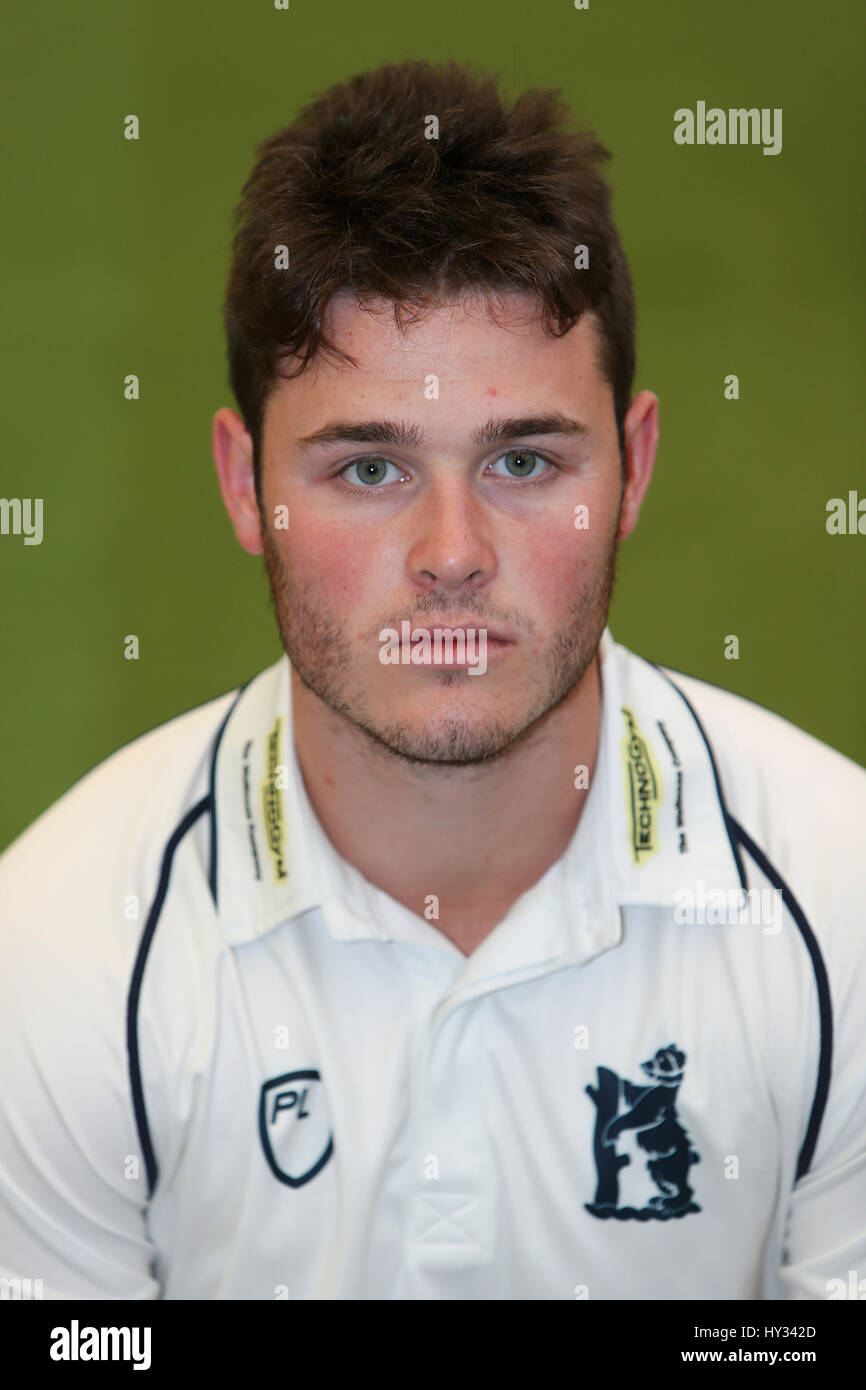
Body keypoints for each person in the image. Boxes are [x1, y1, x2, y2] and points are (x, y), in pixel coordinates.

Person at [1, 59, 863, 1302]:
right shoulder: (61, 954)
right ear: (246, 487)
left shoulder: (835, 915)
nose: (450, 555)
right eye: (366, 470)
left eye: (521, 460)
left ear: (632, 466)